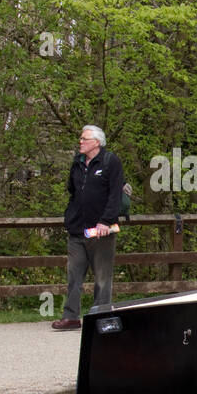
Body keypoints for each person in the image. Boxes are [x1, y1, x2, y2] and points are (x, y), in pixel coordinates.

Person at [54, 125, 123, 330]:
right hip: (77, 230)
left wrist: (106, 220)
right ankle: (71, 316)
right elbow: (72, 190)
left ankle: (100, 318)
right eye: (80, 139)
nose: (80, 142)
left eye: (84, 139)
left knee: (102, 277)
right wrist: (70, 217)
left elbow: (115, 195)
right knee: (74, 275)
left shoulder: (110, 162)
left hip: (101, 231)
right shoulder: (77, 163)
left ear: (97, 142)